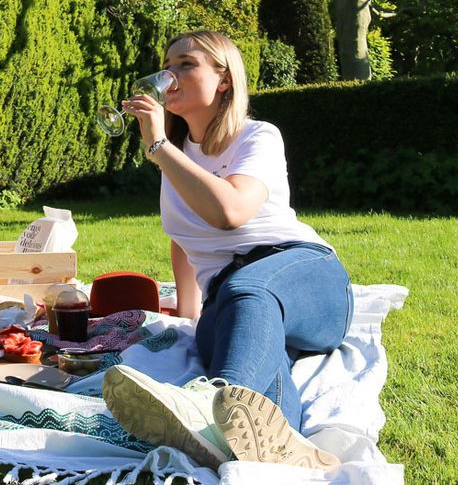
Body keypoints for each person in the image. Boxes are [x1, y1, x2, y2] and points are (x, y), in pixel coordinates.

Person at [101, 30, 352, 472]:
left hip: (304, 275)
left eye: (185, 65)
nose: (169, 76)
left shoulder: (258, 137)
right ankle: (280, 450)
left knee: (247, 290)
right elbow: (184, 237)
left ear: (224, 80)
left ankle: (203, 415)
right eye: (167, 65)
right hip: (233, 298)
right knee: (236, 341)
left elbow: (230, 212)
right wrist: (188, 310)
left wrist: (158, 146)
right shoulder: (178, 154)